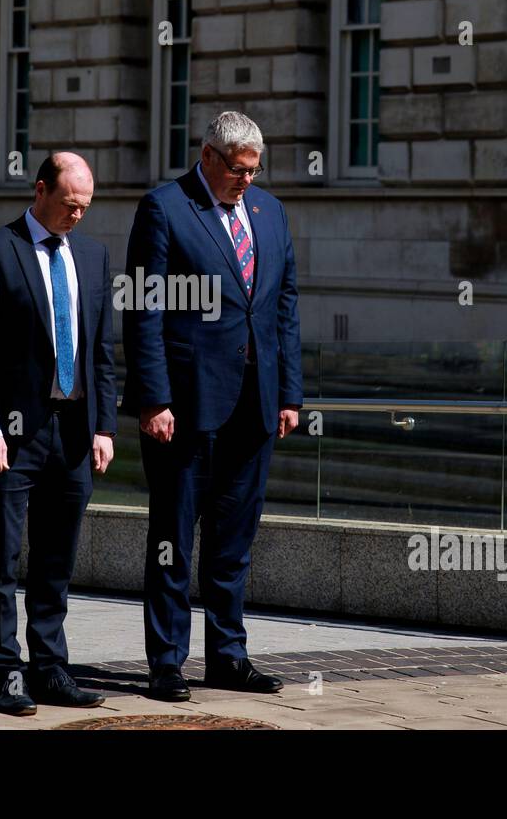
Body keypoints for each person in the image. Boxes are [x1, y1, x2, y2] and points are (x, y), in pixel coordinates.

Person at [124, 111, 303, 702]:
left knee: (234, 542)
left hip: (255, 406)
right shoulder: (165, 209)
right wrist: (153, 397)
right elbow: (144, 310)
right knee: (173, 538)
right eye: (237, 169)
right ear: (208, 157)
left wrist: (290, 393)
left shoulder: (270, 213)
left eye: (254, 170)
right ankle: (167, 662)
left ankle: (228, 655)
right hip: (186, 406)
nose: (246, 180)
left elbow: (284, 308)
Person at [0, 152, 118, 715]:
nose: (78, 215)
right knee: (1, 557)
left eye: (85, 207)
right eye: (70, 204)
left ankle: (50, 666)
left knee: (56, 559)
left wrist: (104, 426)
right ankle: (6, 671)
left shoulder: (93, 257)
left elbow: (101, 351)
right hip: (13, 435)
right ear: (41, 189)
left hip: (72, 433)